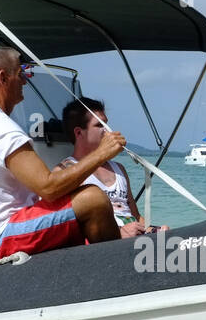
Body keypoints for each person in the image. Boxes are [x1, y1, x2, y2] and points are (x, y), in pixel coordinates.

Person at [0, 48, 124, 262]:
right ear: (3, 78)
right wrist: (101, 154)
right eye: (21, 72)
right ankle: (117, 269)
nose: (25, 81)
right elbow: (48, 188)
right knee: (93, 199)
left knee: (78, 203)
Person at [59, 97, 153, 238]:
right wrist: (119, 234)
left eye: (107, 124)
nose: (108, 130)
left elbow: (136, 216)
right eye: (100, 125)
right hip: (107, 242)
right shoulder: (65, 171)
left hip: (134, 235)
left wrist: (153, 231)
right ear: (79, 133)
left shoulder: (119, 169)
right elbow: (71, 228)